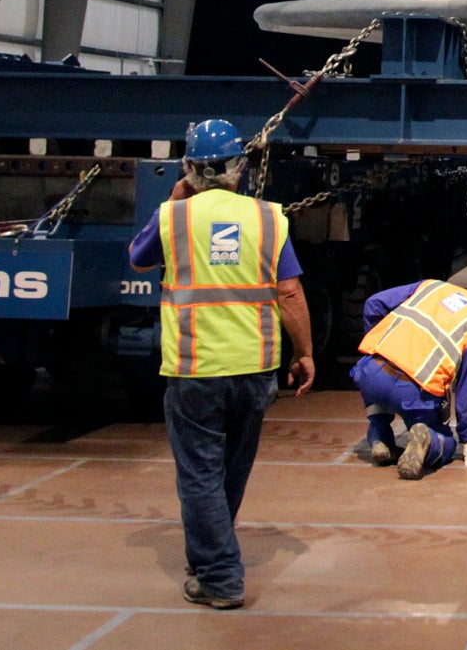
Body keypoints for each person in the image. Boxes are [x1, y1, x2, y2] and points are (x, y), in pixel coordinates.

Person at [128, 118, 315, 611]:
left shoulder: (174, 217)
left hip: (195, 369)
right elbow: (290, 291)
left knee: (200, 474)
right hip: (254, 369)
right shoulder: (270, 218)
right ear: (239, 169)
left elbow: (138, 260)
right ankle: (212, 552)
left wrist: (174, 200)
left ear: (189, 169)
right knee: (230, 469)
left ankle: (218, 575)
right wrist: (305, 354)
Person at [351, 268, 467, 478]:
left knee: (378, 392)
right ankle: (428, 439)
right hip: (412, 392)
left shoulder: (432, 286)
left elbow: (373, 304)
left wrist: (379, 344)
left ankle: (380, 439)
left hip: (372, 373)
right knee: (446, 443)